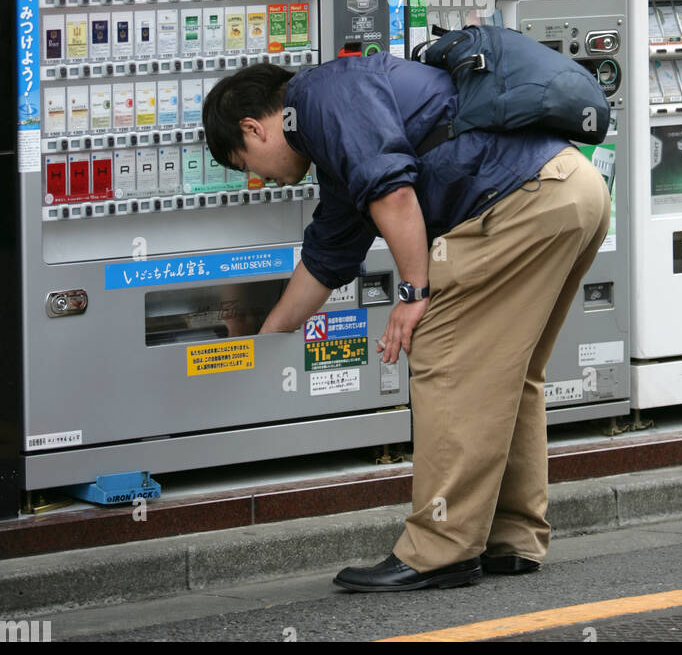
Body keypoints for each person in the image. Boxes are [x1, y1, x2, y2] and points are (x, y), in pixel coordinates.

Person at [202, 53, 610, 593]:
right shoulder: (337, 134)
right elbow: (326, 259)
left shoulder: (320, 97)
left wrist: (414, 293)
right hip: (572, 189)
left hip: (518, 205)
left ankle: (441, 548)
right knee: (513, 374)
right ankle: (511, 539)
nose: (259, 177)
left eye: (245, 161)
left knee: (445, 364)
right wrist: (264, 344)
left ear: (253, 128)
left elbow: (393, 192)